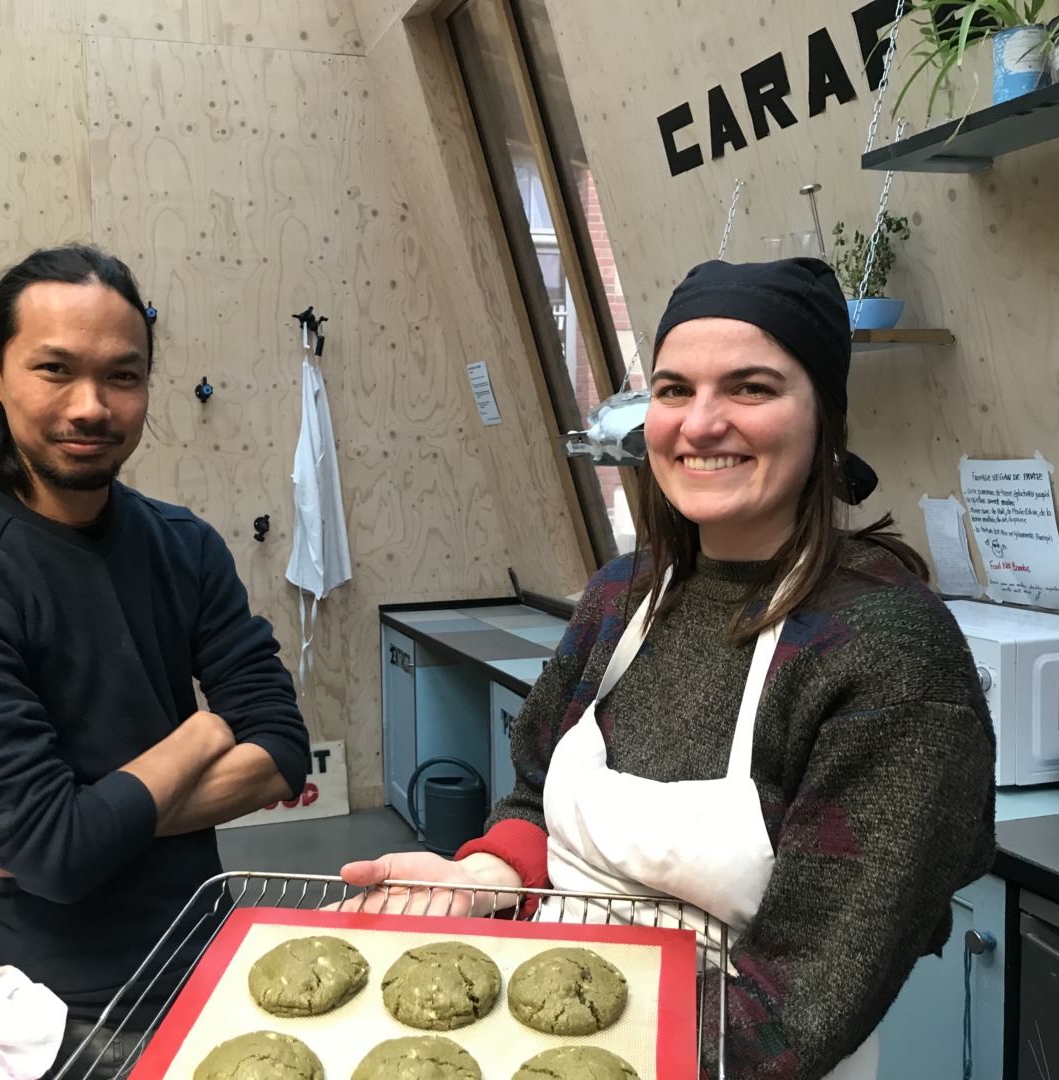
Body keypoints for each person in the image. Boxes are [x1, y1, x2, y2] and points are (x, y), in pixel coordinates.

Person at [342, 258, 996, 1080]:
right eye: (675, 389)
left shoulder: (886, 654)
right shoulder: (624, 595)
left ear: (824, 417)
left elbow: (797, 1006)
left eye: (751, 389)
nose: (701, 423)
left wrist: (541, 1058)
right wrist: (485, 871)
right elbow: (532, 794)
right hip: (551, 1039)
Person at [0, 245, 310, 1075]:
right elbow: (57, 854)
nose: (91, 406)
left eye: (122, 376)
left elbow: (283, 752)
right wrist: (203, 732)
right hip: (64, 1014)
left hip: (210, 961)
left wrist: (76, 826)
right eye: (54, 369)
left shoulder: (184, 545)